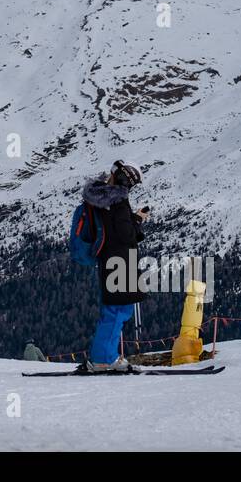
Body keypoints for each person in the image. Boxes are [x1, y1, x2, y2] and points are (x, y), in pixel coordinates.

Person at [84, 159, 148, 372]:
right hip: (121, 260)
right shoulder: (118, 201)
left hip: (108, 260)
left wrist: (131, 219)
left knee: (112, 310)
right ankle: (104, 358)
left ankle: (105, 355)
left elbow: (112, 229)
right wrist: (137, 221)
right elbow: (125, 234)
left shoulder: (100, 197)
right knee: (119, 311)